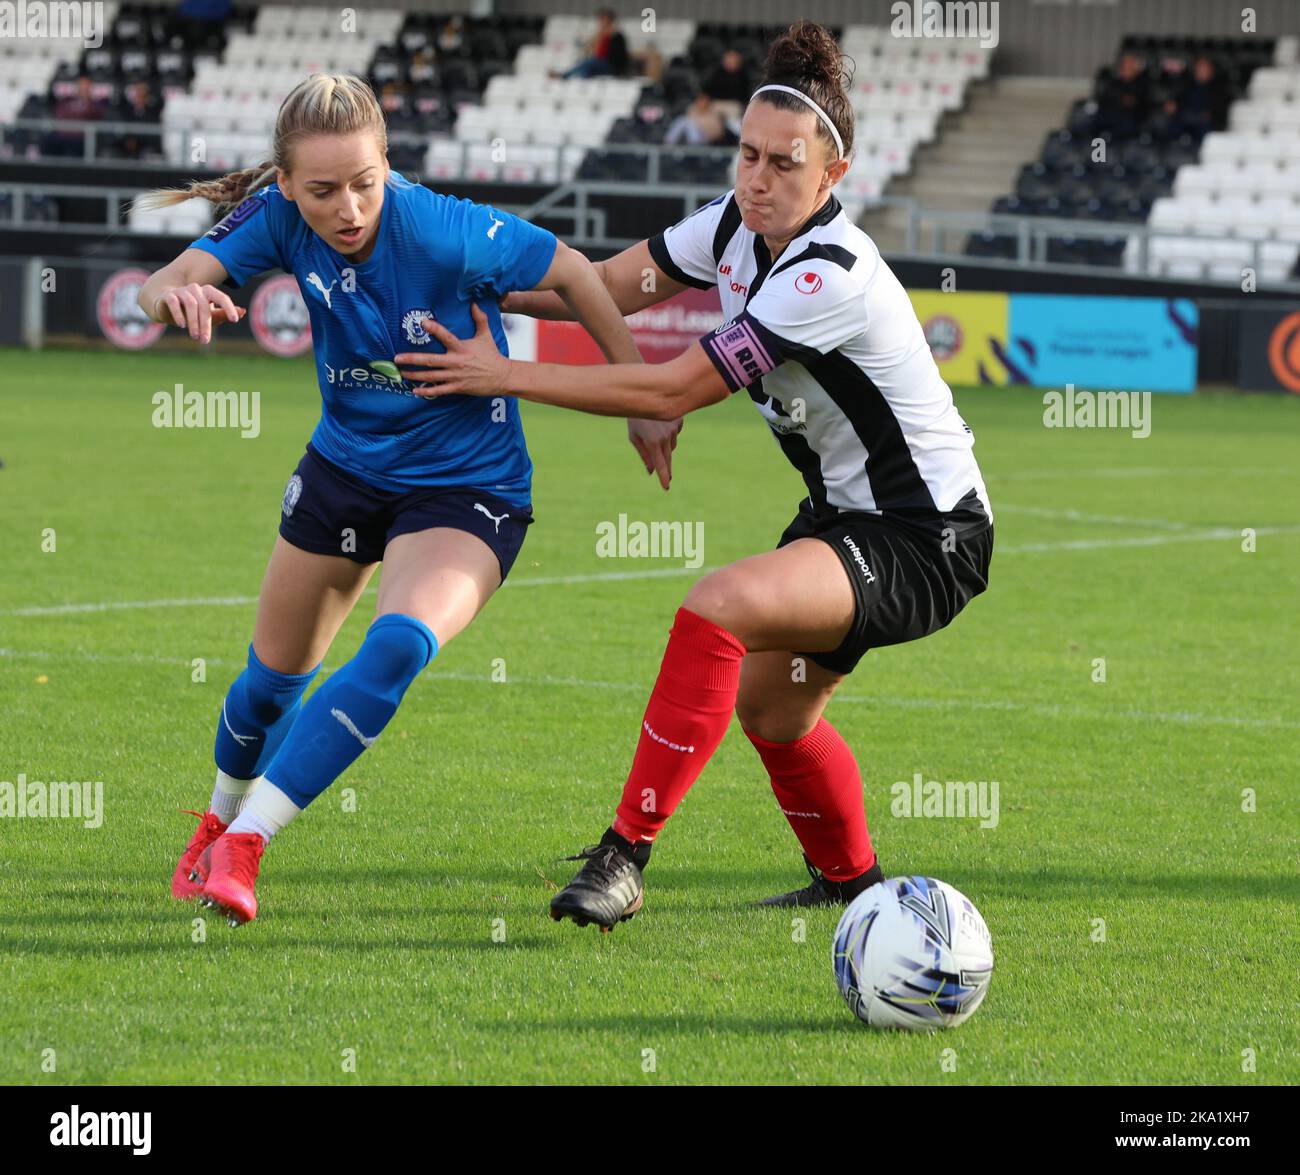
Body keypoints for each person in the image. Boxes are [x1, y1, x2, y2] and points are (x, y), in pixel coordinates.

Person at [396, 22, 995, 931]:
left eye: (783, 164)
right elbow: (598, 283)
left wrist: (504, 371)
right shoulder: (730, 226)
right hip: (845, 517)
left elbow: (678, 385)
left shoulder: (827, 273)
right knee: (774, 708)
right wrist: (461, 274)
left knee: (718, 604)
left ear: (831, 177)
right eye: (746, 155)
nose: (756, 178)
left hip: (926, 534)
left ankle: (625, 854)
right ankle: (852, 886)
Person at [136, 74, 677, 926]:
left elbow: (574, 271)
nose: (348, 207)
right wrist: (175, 294)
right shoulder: (276, 217)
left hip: (469, 489)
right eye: (322, 190)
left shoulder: (442, 228)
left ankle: (249, 841)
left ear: (387, 163)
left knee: (397, 644)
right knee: (266, 688)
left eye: (365, 181)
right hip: (344, 471)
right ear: (285, 186)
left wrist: (642, 400)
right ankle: (215, 819)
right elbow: (167, 277)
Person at [563, 9, 629, 80]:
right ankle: (578, 82)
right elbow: (592, 51)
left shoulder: (617, 36)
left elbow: (614, 57)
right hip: (600, 65)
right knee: (586, 68)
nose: (600, 22)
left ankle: (565, 76)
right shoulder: (601, 35)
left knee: (588, 63)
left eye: (603, 19)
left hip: (612, 67)